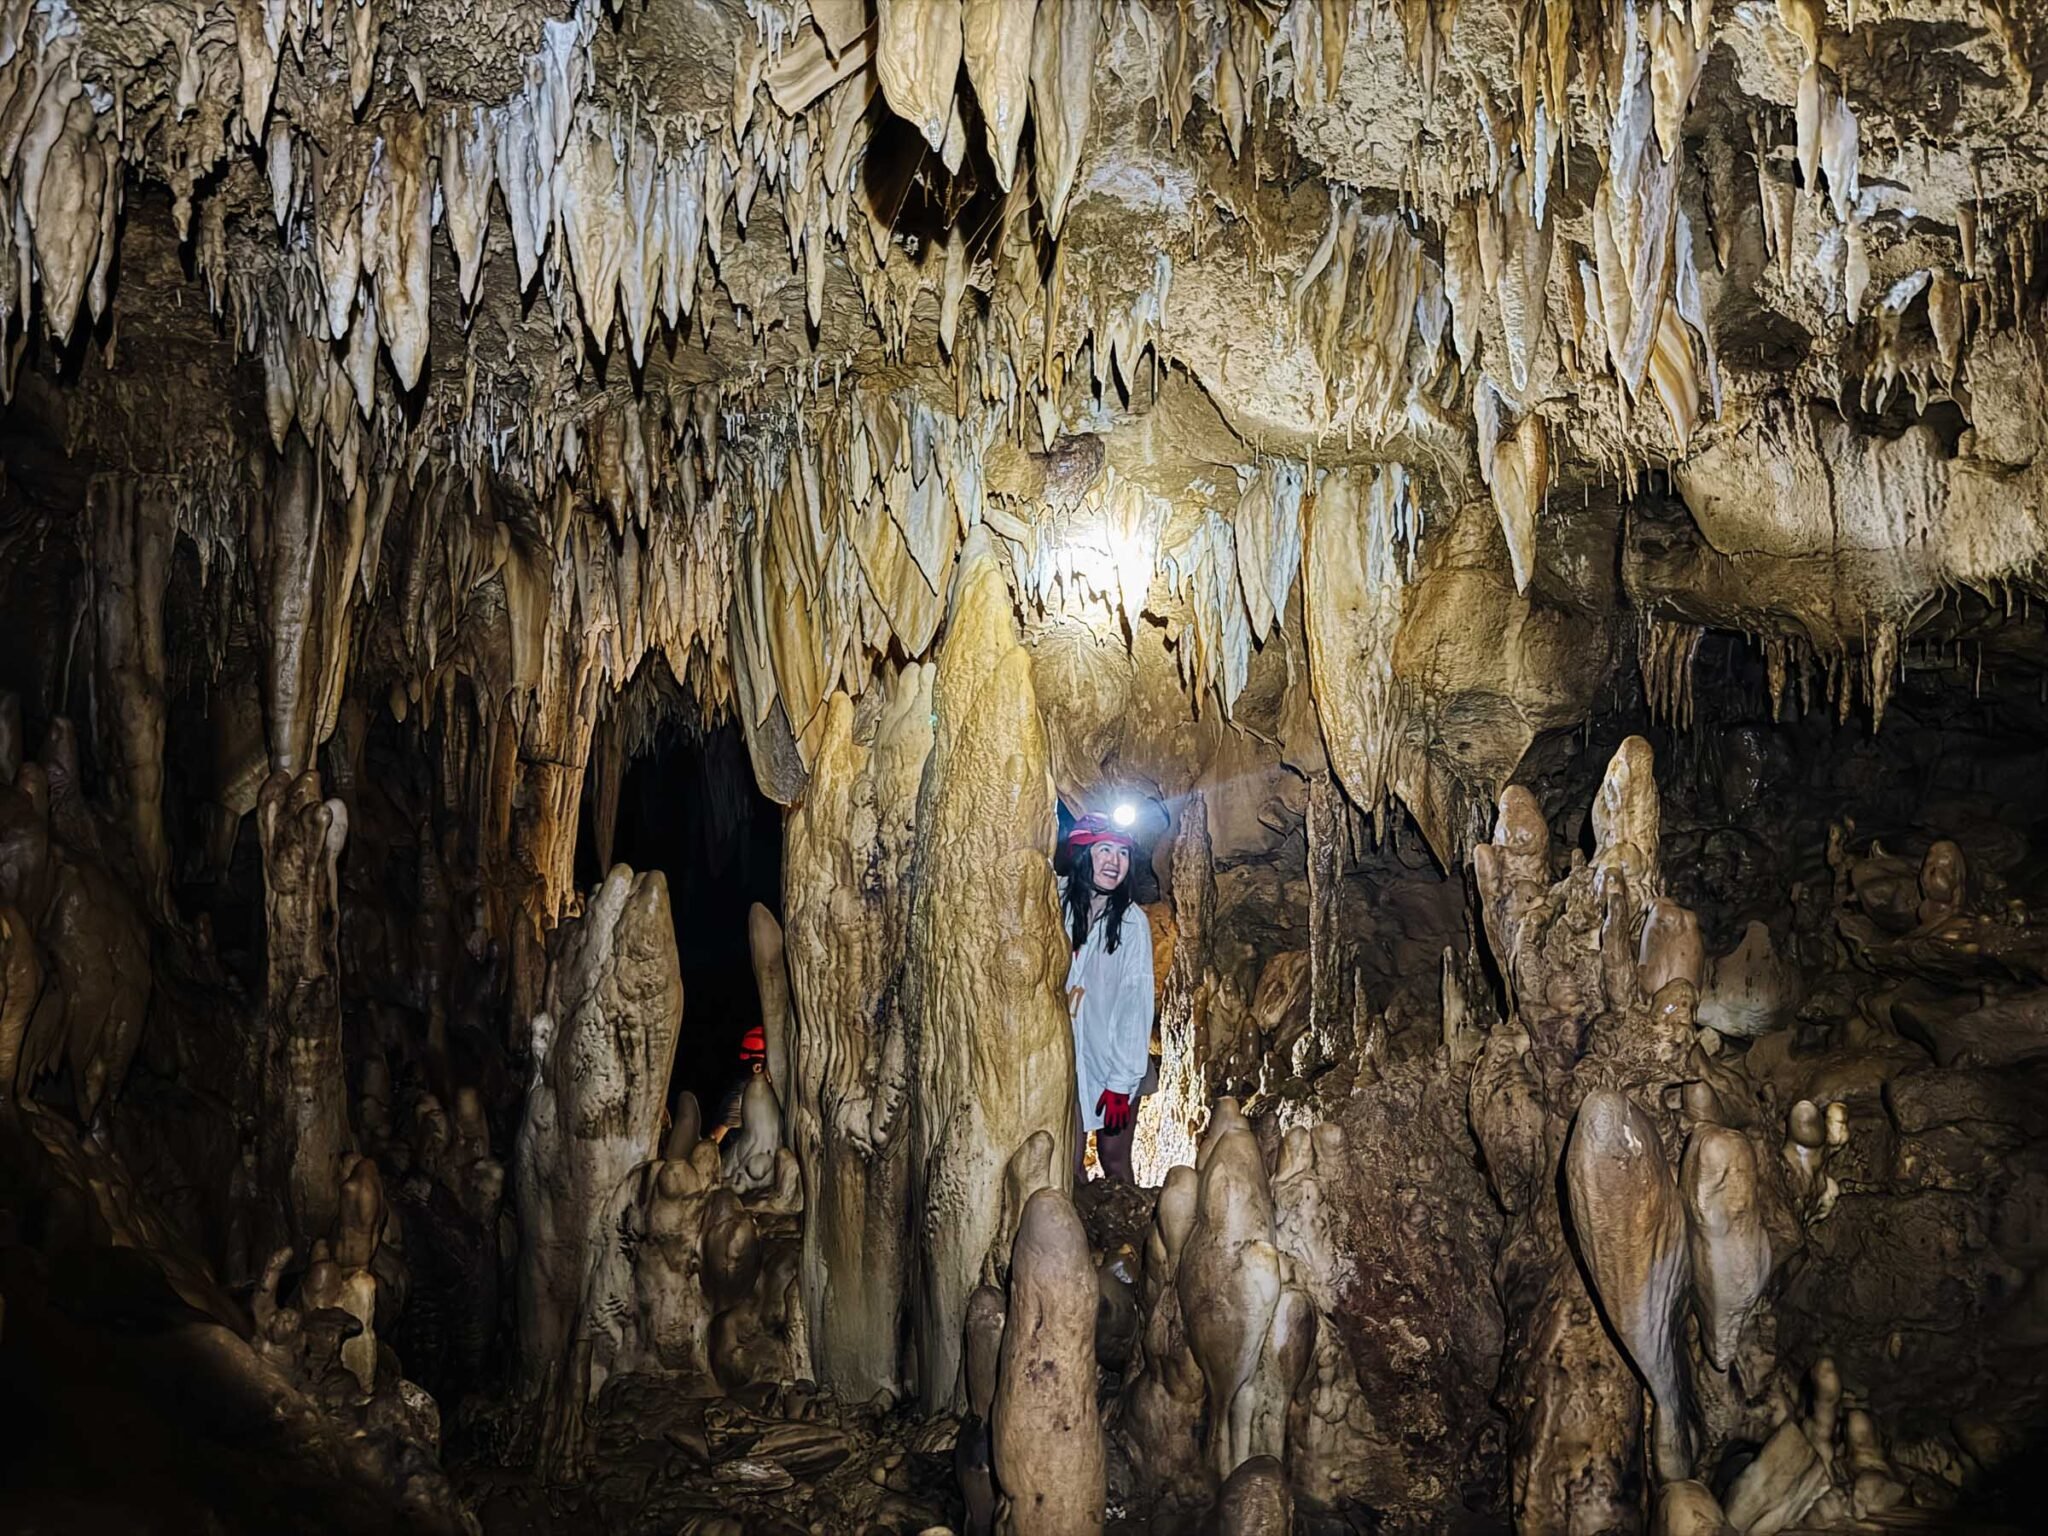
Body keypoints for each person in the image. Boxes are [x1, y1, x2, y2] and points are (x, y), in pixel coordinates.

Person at [1061, 811, 1155, 1183]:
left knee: (1114, 1160)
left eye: (1123, 853)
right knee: (1065, 1163)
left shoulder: (1132, 924)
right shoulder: (1055, 900)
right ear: (1085, 853)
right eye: (1105, 850)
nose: (1115, 862)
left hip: (1118, 1059)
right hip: (1068, 1057)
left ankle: (1129, 1238)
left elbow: (1136, 1005)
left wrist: (1120, 1084)